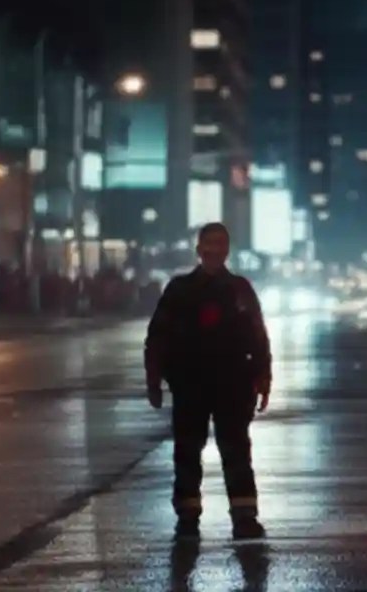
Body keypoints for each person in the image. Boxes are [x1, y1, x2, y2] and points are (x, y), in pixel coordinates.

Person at [145, 222, 272, 540]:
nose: (214, 250)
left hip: (233, 386)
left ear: (227, 250)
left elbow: (258, 338)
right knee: (187, 450)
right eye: (209, 244)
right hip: (190, 385)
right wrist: (153, 378)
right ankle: (187, 515)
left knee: (236, 450)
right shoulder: (179, 290)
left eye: (220, 244)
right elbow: (157, 337)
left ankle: (244, 516)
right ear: (199, 249)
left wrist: (263, 376)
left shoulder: (240, 289)